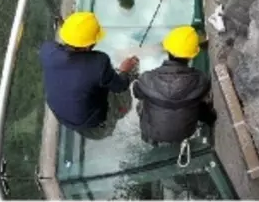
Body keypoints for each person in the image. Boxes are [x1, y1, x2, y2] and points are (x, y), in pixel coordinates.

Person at [40, 11, 139, 140]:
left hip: (63, 118)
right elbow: (120, 86)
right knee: (124, 76)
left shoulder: (47, 50)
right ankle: (123, 109)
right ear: (88, 46)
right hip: (96, 127)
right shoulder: (99, 62)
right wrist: (125, 71)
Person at [132, 25, 217, 145]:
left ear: (167, 50)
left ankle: (151, 140)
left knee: (143, 101)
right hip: (186, 132)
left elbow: (136, 93)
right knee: (197, 101)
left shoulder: (147, 78)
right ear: (192, 55)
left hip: (151, 132)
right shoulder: (201, 80)